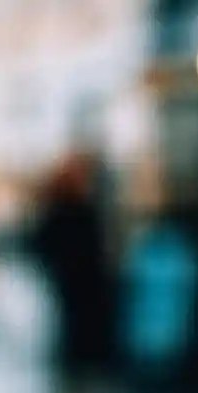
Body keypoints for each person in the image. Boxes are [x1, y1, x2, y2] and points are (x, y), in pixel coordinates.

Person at [30, 154, 115, 371]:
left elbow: (40, 246)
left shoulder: (55, 213)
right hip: (80, 289)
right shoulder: (82, 214)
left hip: (67, 287)